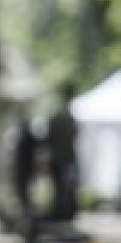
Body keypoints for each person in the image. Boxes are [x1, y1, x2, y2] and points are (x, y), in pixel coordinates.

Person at [44, 81, 80, 222]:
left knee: (64, 188)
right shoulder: (64, 118)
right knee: (63, 188)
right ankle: (62, 211)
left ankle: (63, 211)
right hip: (62, 158)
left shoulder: (63, 118)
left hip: (63, 158)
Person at [11, 112, 40, 220]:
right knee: (24, 191)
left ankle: (26, 212)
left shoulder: (24, 138)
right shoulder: (29, 138)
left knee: (23, 191)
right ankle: (26, 211)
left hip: (24, 169)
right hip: (26, 169)